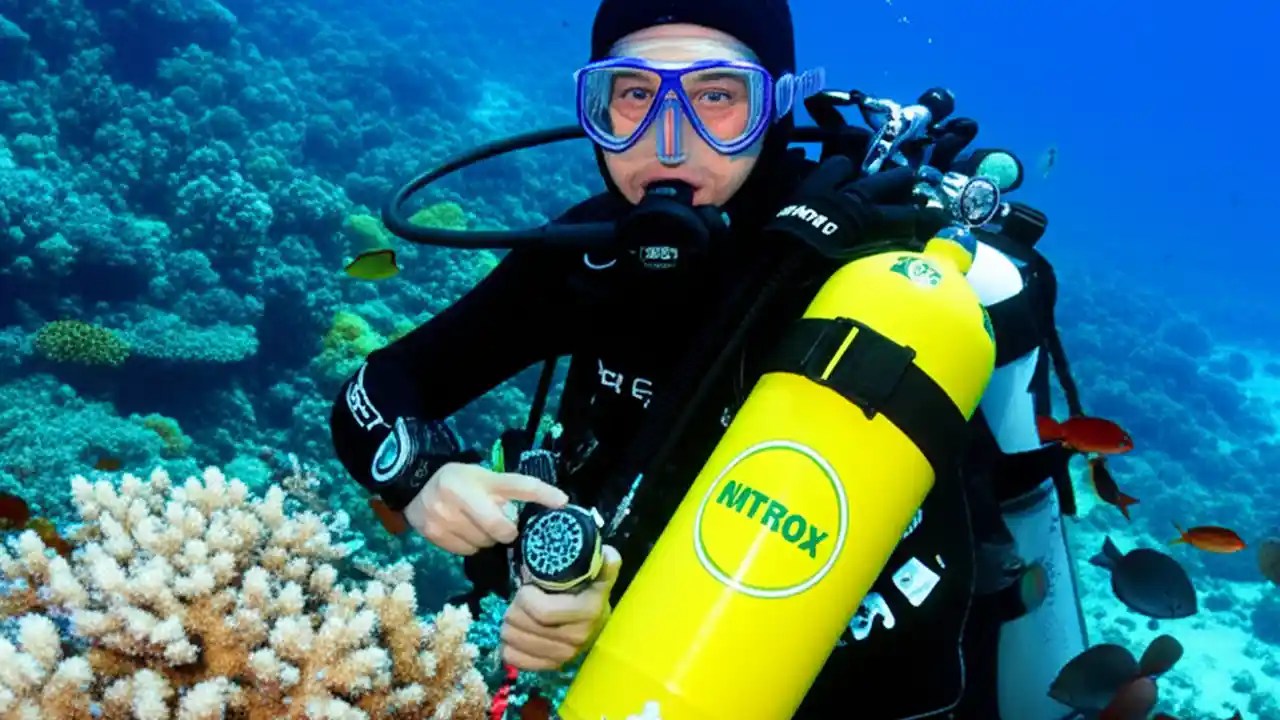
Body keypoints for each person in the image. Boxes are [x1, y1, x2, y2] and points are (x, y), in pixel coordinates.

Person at [329, 0, 1089, 716]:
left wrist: (621, 589)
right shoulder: (589, 255)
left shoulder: (867, 271)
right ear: (595, 112)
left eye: (718, 97)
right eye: (631, 95)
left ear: (775, 109)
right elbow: (378, 386)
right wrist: (420, 473)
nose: (670, 140)